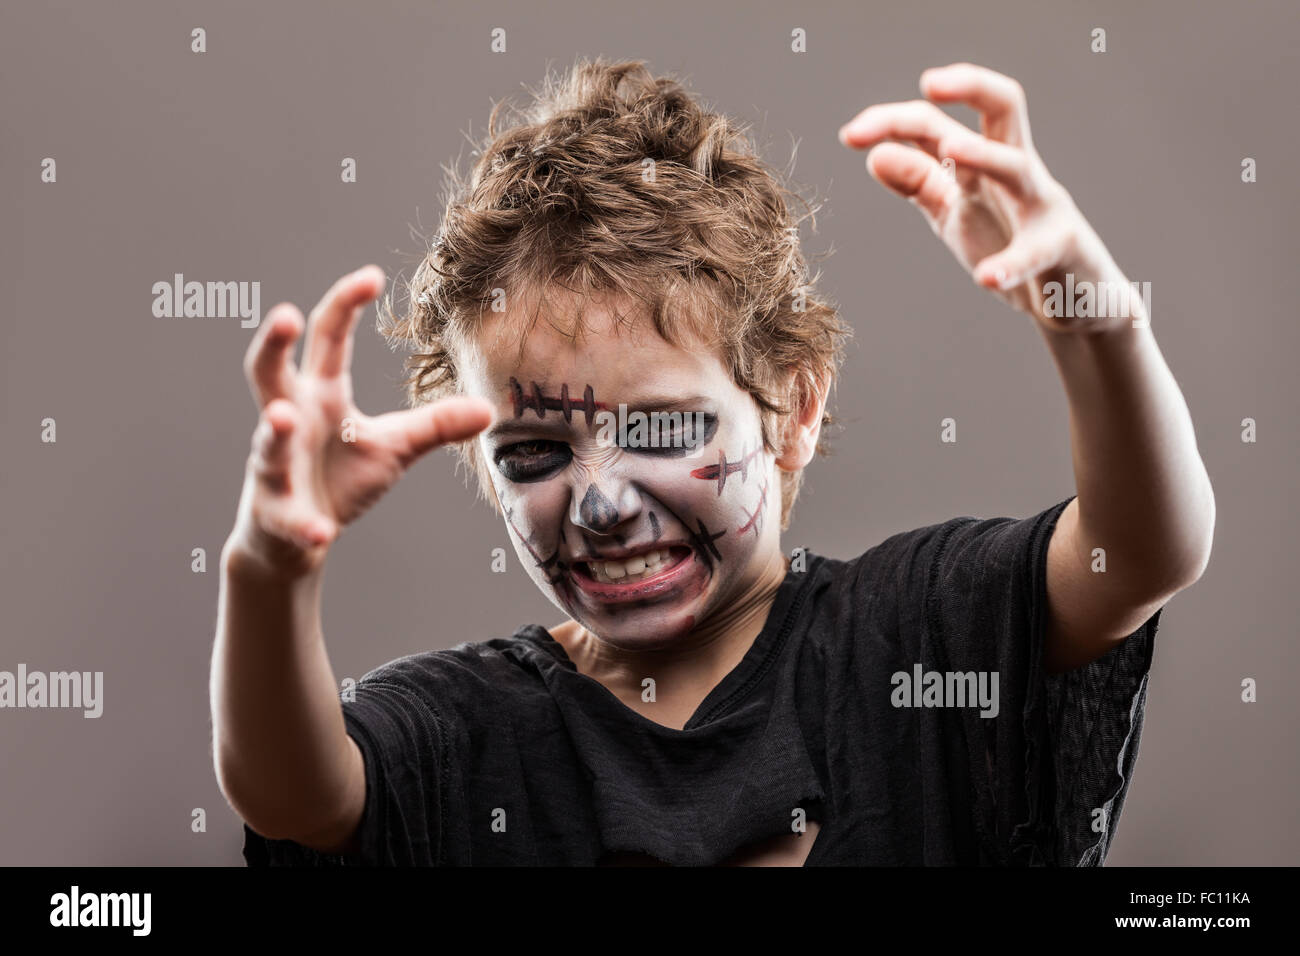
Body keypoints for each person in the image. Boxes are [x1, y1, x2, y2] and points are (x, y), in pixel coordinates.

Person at [211, 58, 1214, 866]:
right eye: (534, 452)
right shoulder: (471, 730)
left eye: (658, 429)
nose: (600, 502)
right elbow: (294, 793)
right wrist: (268, 568)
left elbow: (1139, 553)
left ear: (793, 408)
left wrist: (1097, 322)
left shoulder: (914, 642)